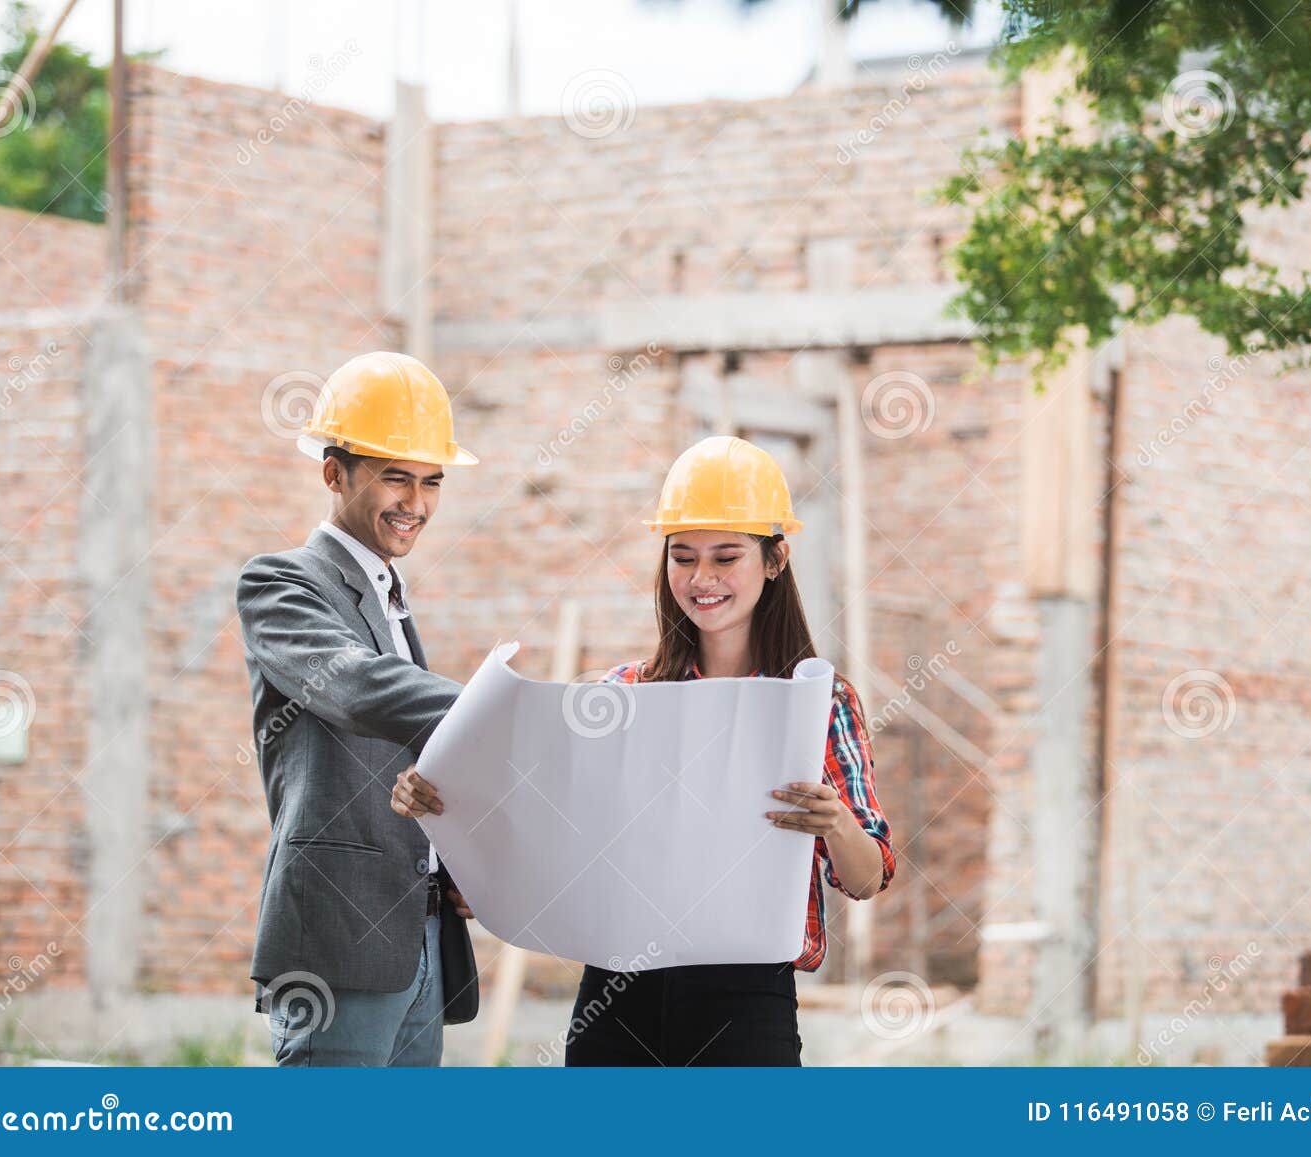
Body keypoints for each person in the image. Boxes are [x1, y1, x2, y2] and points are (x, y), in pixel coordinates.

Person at [391, 435, 894, 1066]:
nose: (701, 579)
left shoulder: (819, 701)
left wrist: (837, 824)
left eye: (725, 557)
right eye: (683, 557)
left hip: (746, 1002)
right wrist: (446, 803)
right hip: (615, 996)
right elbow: (553, 834)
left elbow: (867, 877)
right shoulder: (621, 695)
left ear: (774, 559)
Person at [237, 351, 480, 1066]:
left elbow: (410, 761)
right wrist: (497, 711)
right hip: (339, 936)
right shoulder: (281, 582)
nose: (418, 502)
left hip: (420, 938)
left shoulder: (390, 596)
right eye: (396, 476)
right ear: (333, 472)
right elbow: (351, 683)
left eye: (431, 481)